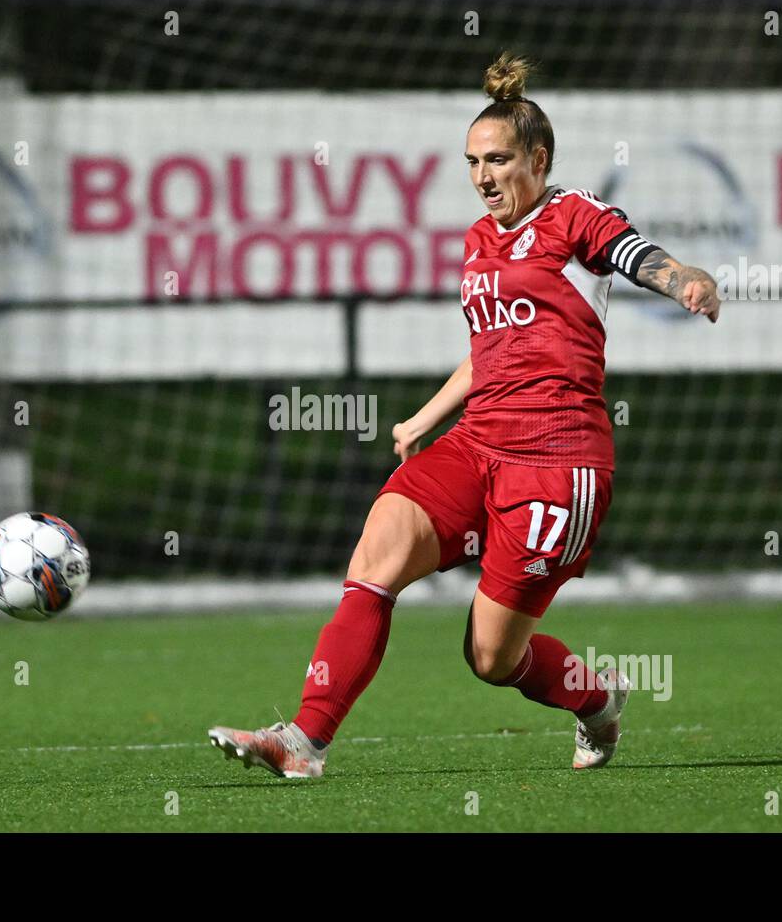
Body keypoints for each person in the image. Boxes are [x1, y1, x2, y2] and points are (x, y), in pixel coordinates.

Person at [209, 51, 720, 778]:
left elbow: (638, 255)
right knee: (375, 554)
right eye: (472, 161)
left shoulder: (575, 216)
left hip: (557, 461)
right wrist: (424, 419)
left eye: (498, 159)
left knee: (490, 655)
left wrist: (685, 280)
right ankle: (305, 739)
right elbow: (491, 351)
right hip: (476, 442)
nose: (482, 176)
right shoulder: (481, 242)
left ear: (538, 160)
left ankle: (598, 701)